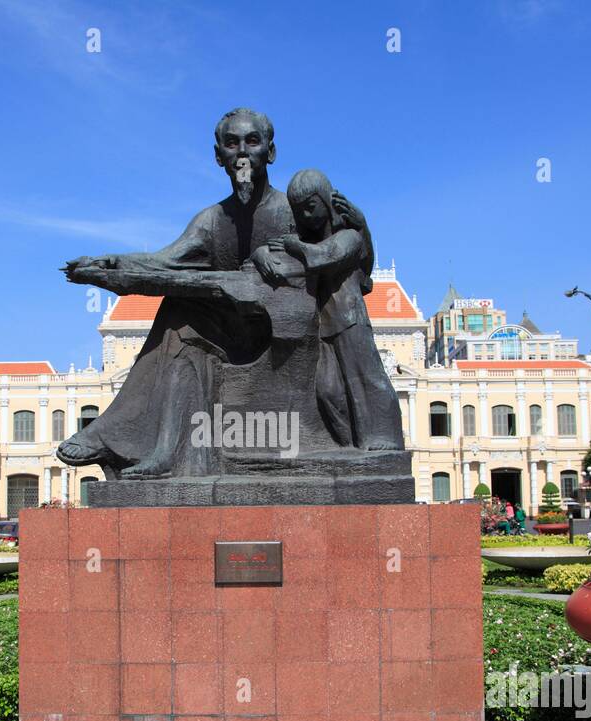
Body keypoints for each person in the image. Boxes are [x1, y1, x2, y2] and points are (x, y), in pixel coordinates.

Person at [58, 108, 370, 479]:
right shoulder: (211, 220)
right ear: (218, 156)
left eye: (252, 142)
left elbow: (348, 256)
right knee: (180, 315)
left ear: (270, 152)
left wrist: (360, 226)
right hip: (231, 332)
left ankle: (128, 438)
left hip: (289, 331)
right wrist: (113, 265)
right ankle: (164, 450)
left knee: (186, 313)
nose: (242, 153)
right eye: (232, 143)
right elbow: (165, 261)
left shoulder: (295, 209)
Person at [259, 169, 403, 451]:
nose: (305, 217)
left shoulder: (348, 237)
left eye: (310, 208)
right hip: (323, 326)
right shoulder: (306, 244)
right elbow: (269, 254)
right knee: (328, 390)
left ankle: (384, 438)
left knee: (366, 378)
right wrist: (262, 253)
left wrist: (294, 244)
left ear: (326, 202)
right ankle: (349, 444)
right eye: (299, 211)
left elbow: (324, 256)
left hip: (350, 320)